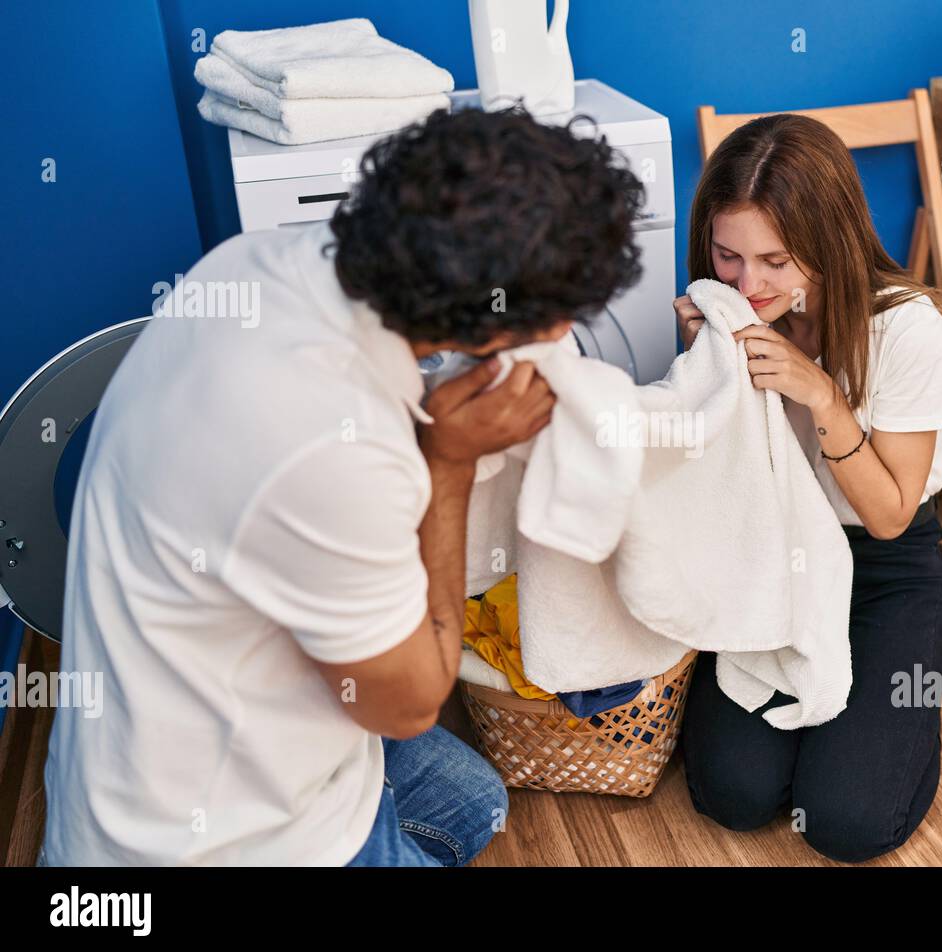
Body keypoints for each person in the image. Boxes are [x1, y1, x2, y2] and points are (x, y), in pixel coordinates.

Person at [40, 106, 645, 866]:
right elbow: (411, 704)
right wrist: (449, 462)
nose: (561, 336)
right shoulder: (327, 443)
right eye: (557, 317)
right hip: (207, 841)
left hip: (146, 744)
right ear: (493, 322)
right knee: (439, 765)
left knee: (474, 802)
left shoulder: (249, 261)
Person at [675, 113, 942, 863]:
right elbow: (707, 478)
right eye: (727, 256)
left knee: (845, 821)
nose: (749, 284)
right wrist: (698, 374)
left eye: (776, 260)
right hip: (773, 555)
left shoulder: (906, 330)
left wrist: (823, 398)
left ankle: (939, 642)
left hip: (883, 568)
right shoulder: (723, 313)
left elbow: (893, 515)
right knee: (732, 796)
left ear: (827, 242)